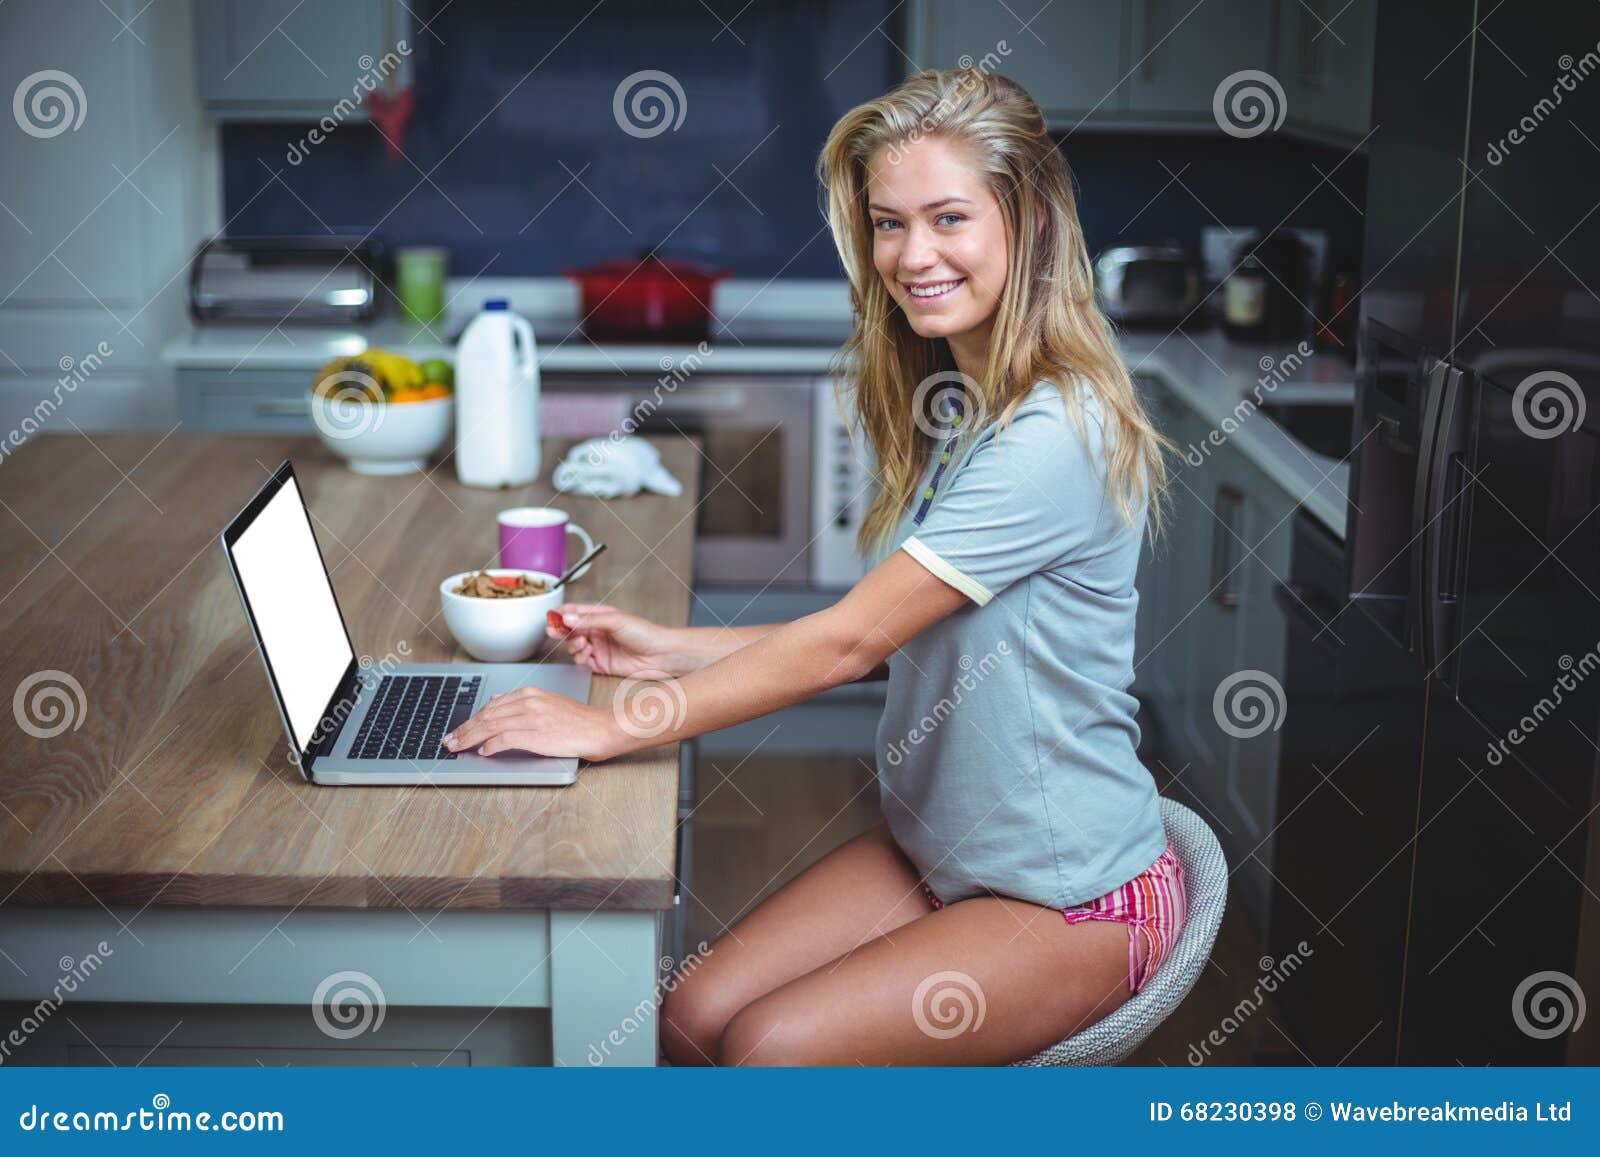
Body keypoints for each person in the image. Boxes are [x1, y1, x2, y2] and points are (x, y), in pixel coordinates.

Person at [444, 68, 1181, 1066]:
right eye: (887, 223)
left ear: (1032, 218)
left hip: (1071, 893)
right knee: (687, 1018)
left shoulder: (1055, 432)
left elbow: (847, 642)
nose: (910, 255)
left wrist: (612, 724)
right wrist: (672, 649)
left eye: (948, 217)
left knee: (770, 1051)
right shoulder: (967, 407)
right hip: (944, 854)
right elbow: (895, 630)